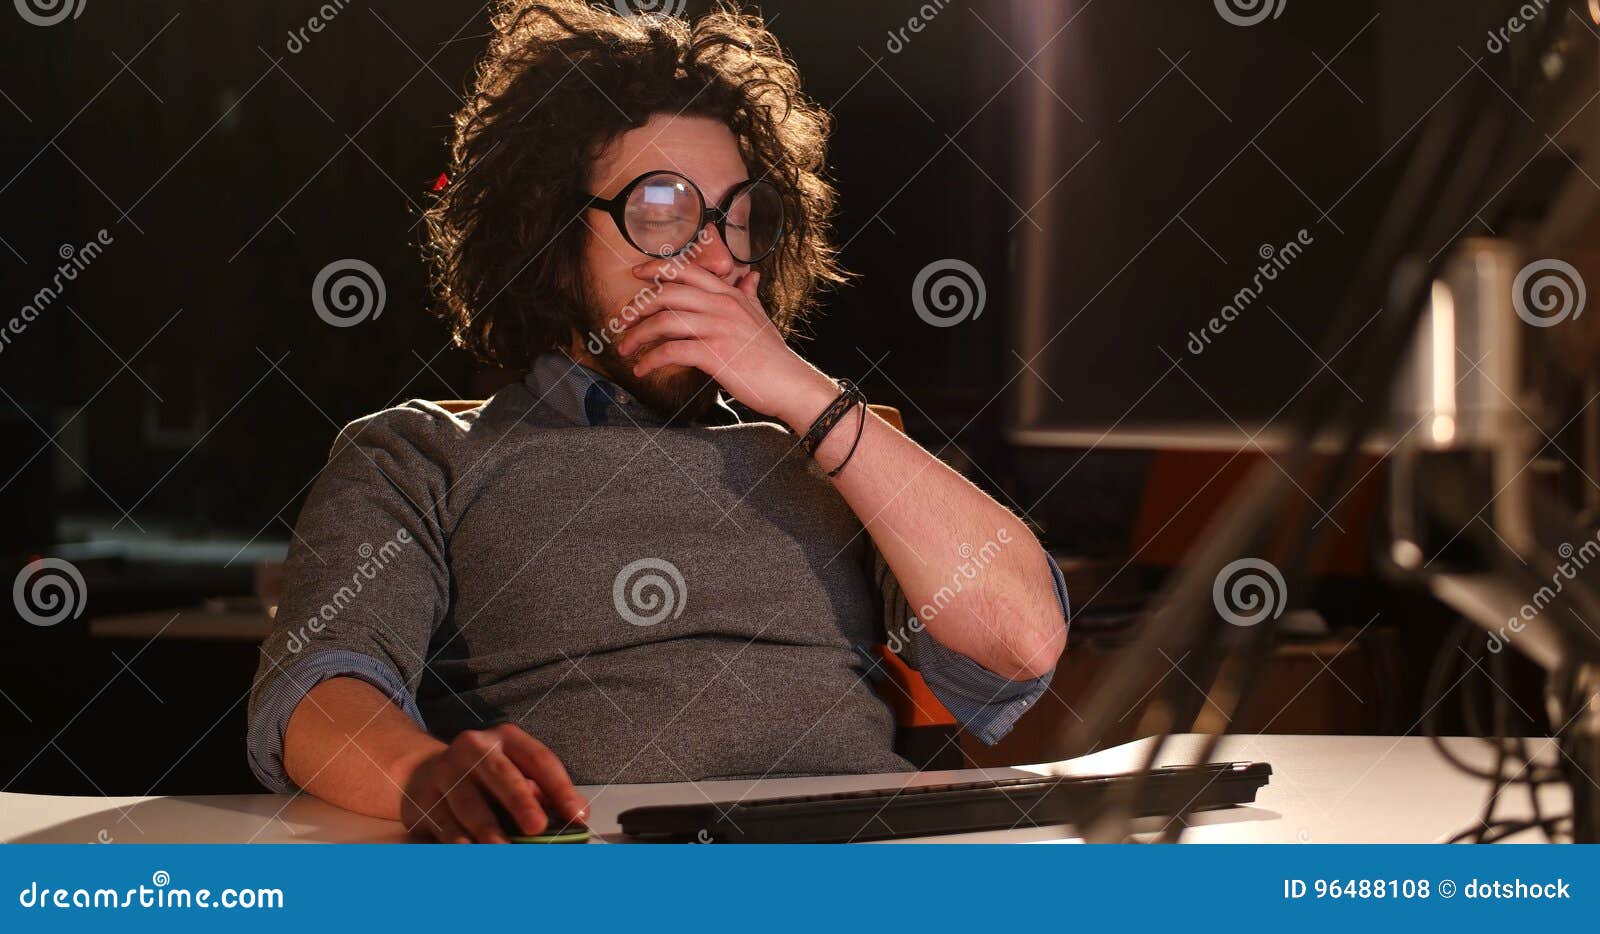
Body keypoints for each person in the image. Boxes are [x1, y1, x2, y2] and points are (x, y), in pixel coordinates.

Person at [247, 0, 1068, 844]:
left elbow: (1024, 641)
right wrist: (423, 774)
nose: (712, 257)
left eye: (735, 216)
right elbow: (319, 687)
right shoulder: (419, 455)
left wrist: (805, 395)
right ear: (550, 234)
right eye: (663, 208)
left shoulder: (831, 451)